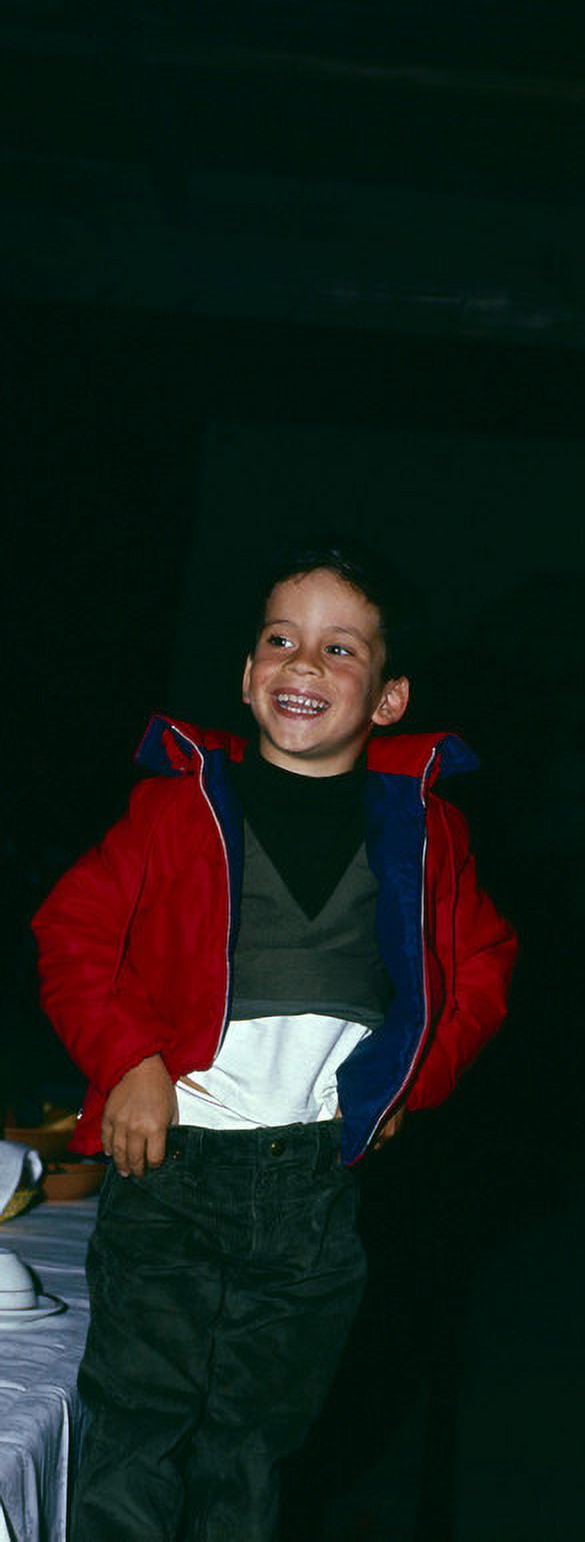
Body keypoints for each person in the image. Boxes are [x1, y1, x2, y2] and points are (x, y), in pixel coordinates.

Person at [33, 540, 517, 1542]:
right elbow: (70, 932)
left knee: (254, 1438)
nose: (305, 663)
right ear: (249, 674)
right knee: (139, 1419)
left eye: (341, 649)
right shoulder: (175, 808)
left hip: (310, 1183)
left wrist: (403, 1088)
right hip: (172, 1165)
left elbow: (483, 967)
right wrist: (128, 1058)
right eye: (281, 639)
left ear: (388, 696)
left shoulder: (427, 828)